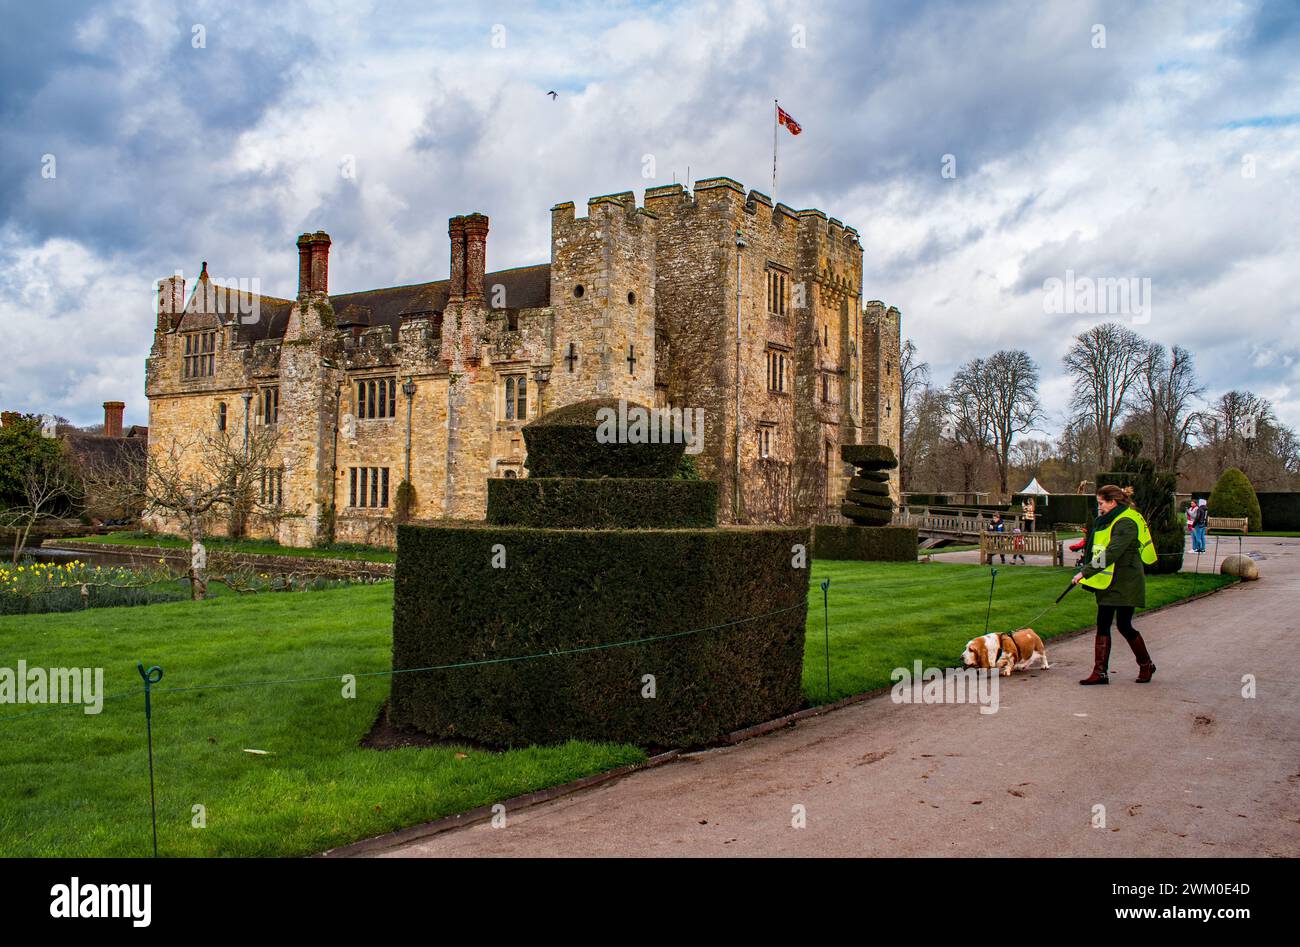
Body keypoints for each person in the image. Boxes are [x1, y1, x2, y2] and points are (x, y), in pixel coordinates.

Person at [1073, 485, 1158, 685]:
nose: (1099, 507)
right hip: (1108, 580)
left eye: (1101, 503)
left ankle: (1146, 664)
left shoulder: (1126, 522)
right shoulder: (1109, 520)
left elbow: (1111, 552)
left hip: (1126, 580)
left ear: (1112, 502)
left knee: (1124, 625)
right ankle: (1100, 671)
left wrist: (1084, 572)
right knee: (1103, 623)